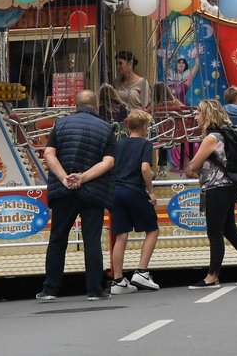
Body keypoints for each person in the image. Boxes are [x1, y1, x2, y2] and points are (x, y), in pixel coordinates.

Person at [36, 90, 115, 301]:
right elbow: (108, 162)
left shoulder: (60, 125)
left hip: (63, 192)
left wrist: (64, 178)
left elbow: (49, 154)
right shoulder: (107, 128)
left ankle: (50, 290)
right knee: (92, 240)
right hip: (93, 192)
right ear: (96, 106)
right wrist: (83, 178)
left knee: (58, 239)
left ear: (75, 105)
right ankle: (95, 290)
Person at [186, 99, 237, 287]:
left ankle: (212, 276)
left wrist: (193, 170)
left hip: (217, 189)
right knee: (229, 230)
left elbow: (193, 165)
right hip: (230, 187)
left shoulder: (211, 138)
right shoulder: (225, 135)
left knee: (214, 232)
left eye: (198, 113)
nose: (196, 117)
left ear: (206, 115)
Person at [105, 108, 161, 294]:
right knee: (152, 229)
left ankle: (118, 280)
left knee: (121, 236)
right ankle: (142, 271)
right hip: (134, 190)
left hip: (116, 192)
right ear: (145, 126)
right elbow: (145, 169)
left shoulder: (118, 144)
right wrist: (151, 191)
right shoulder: (145, 145)